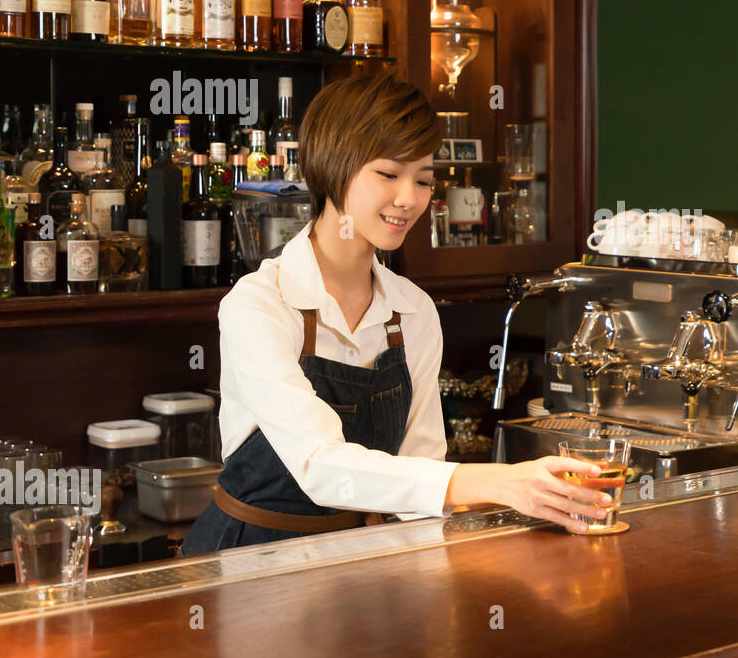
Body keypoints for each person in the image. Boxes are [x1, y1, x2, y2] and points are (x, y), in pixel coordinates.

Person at [181, 73, 609, 555]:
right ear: (334, 166)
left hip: (361, 559)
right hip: (248, 564)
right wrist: (500, 482)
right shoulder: (258, 303)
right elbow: (320, 466)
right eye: (388, 174)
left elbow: (418, 476)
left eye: (423, 180)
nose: (409, 198)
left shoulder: (413, 310)